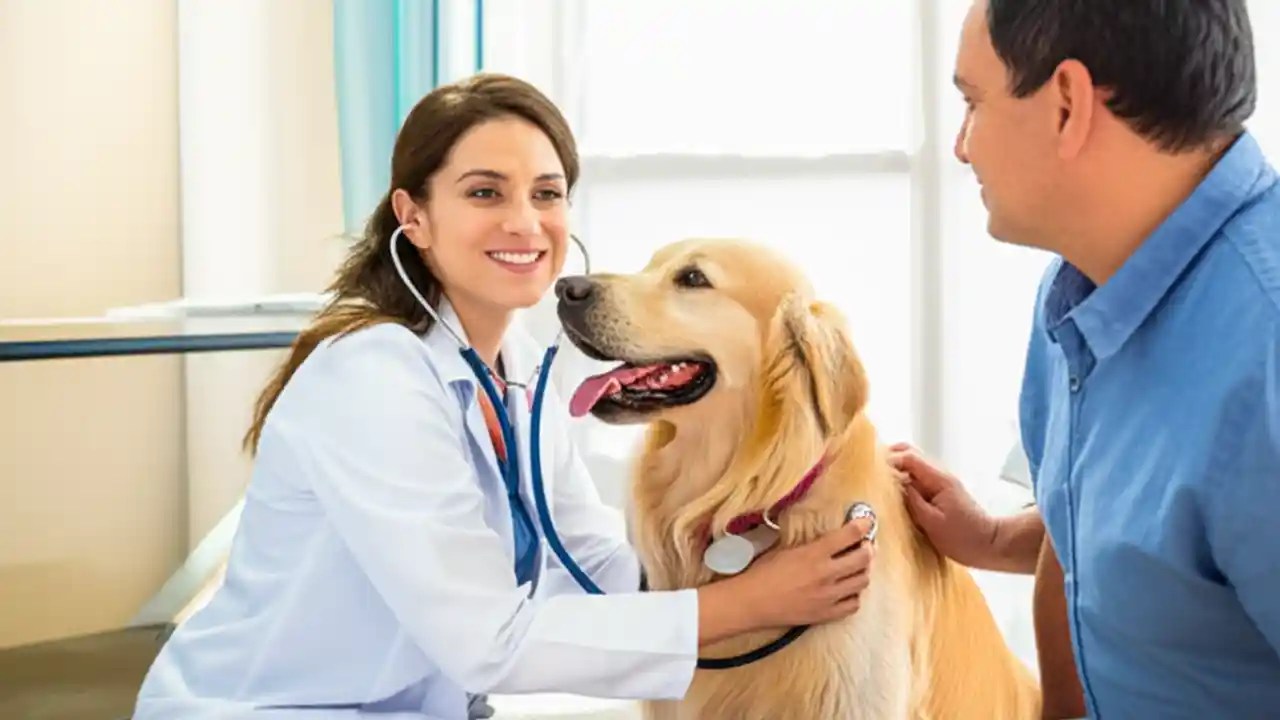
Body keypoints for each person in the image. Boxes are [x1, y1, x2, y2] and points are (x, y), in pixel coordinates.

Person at [131, 73, 876, 719]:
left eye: (546, 194)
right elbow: (490, 645)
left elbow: (596, 570)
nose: (525, 222)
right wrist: (756, 602)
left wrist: (769, 531)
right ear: (413, 216)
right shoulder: (371, 376)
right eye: (485, 192)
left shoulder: (522, 368)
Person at [891, 1, 1280, 718]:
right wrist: (994, 537)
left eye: (974, 103)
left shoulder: (1265, 353)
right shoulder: (1082, 286)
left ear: (1067, 103)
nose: (961, 146)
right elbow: (1159, 528)